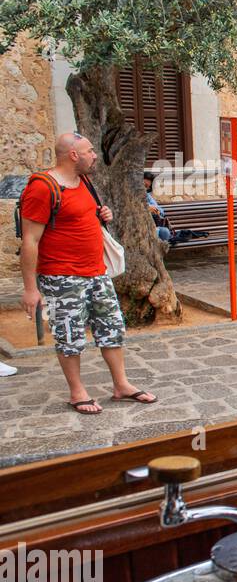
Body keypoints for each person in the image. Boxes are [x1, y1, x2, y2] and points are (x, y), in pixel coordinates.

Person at [19, 132, 157, 415]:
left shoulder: (84, 181)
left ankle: (121, 385)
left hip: (96, 271)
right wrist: (30, 289)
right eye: (90, 151)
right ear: (73, 155)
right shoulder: (42, 188)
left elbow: (82, 216)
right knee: (69, 334)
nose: (95, 156)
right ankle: (77, 391)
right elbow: (30, 241)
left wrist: (103, 215)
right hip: (62, 276)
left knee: (112, 329)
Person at [144, 172, 170, 243]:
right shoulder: (131, 195)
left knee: (165, 232)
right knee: (164, 232)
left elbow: (161, 211)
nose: (145, 189)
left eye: (147, 187)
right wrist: (146, 208)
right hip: (139, 228)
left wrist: (156, 210)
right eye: (144, 185)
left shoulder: (147, 196)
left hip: (150, 227)